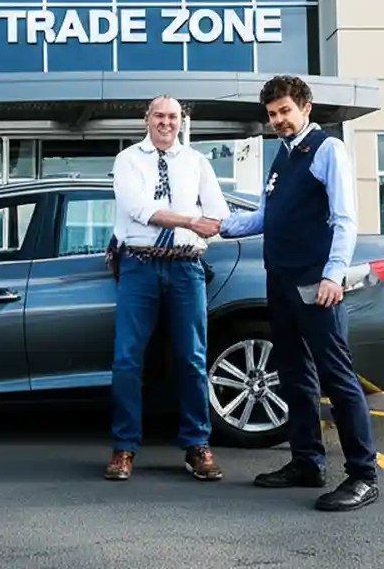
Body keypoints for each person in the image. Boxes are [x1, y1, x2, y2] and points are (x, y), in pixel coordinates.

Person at [218, 75, 379, 511]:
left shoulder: (329, 150)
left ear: (305, 108)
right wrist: (218, 226)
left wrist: (333, 274)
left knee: (337, 378)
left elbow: (346, 219)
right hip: (281, 280)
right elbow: (265, 218)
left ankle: (363, 475)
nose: (278, 121)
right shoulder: (282, 158)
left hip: (316, 282)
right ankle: (307, 461)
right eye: (272, 115)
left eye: (285, 111)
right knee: (293, 374)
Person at [104, 95, 230, 482]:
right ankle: (124, 447)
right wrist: (193, 221)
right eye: (159, 115)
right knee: (127, 360)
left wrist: (201, 225)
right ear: (147, 119)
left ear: (181, 120)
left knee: (192, 358)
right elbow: (139, 209)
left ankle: (197, 445)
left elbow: (219, 212)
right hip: (139, 265)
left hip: (185, 268)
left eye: (173, 116)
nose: (166, 122)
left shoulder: (196, 162)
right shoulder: (127, 160)